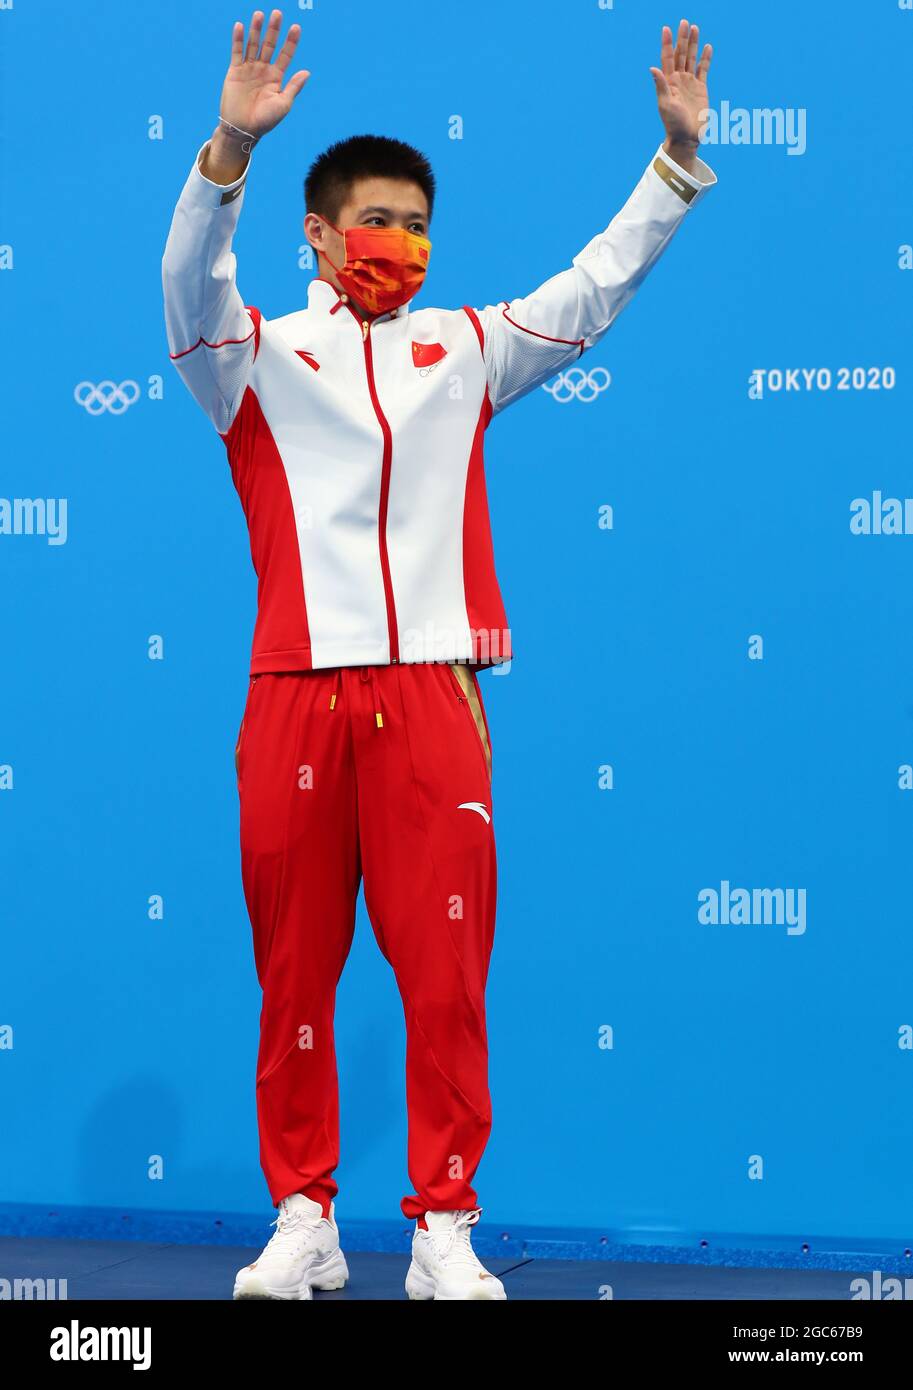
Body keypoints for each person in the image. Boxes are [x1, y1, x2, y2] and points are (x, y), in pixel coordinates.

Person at [161, 8, 716, 1301]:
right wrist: (228, 147)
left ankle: (442, 1224)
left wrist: (672, 163)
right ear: (315, 230)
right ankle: (303, 1216)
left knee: (443, 971)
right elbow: (188, 279)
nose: (398, 243)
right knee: (293, 971)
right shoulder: (246, 359)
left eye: (416, 222)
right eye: (375, 219)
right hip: (293, 693)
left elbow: (593, 284)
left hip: (429, 700)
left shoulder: (464, 349)